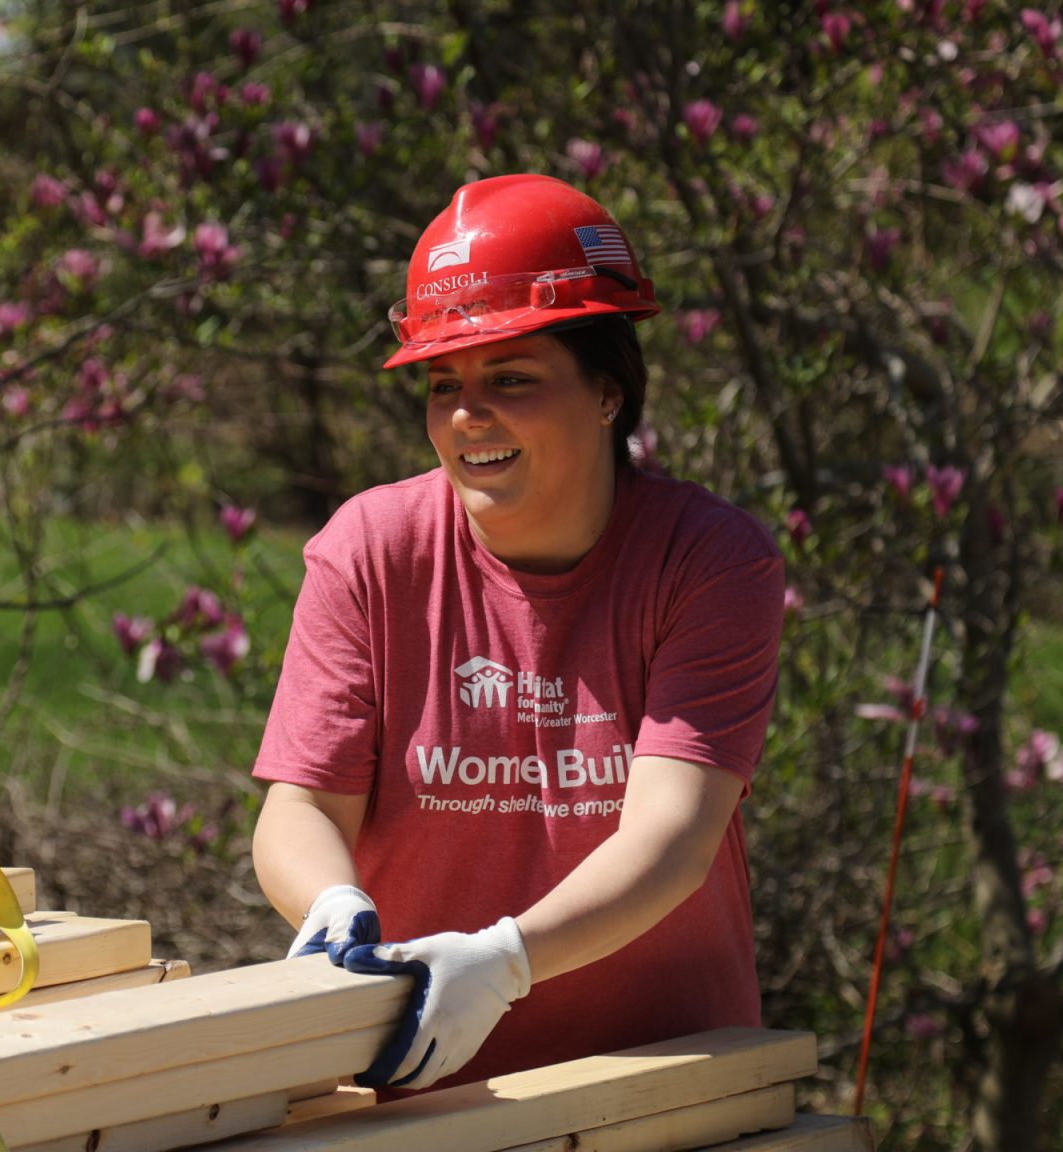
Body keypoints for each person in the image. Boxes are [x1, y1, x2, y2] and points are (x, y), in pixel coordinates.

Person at [249, 174, 785, 1093]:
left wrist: (504, 961)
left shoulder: (709, 561)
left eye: (511, 379)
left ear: (609, 390)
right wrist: (334, 906)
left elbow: (672, 836)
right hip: (421, 1086)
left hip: (663, 1084)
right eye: (442, 382)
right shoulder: (370, 553)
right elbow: (298, 810)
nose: (466, 415)